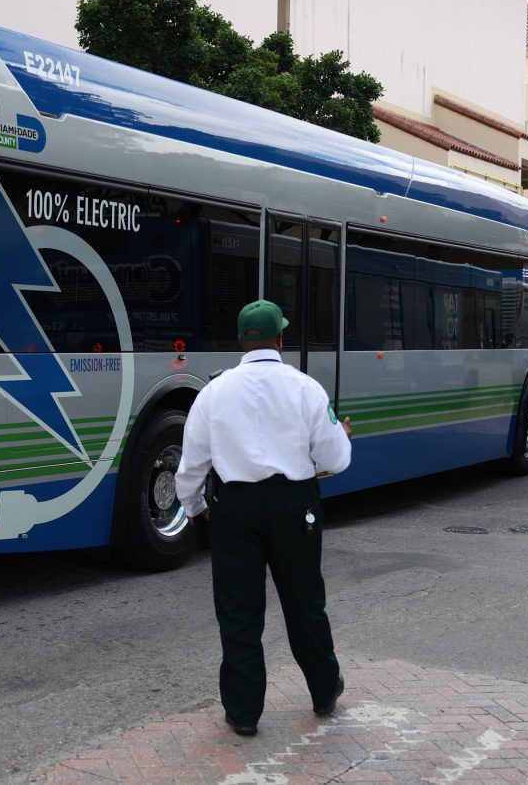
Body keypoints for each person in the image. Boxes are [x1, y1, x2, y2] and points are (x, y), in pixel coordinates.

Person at [175, 299, 353, 737]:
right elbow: (336, 459)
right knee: (305, 603)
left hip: (234, 510)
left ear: (241, 341)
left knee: (239, 613)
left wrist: (195, 509)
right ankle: (324, 691)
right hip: (294, 506)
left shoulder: (213, 393)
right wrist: (340, 437)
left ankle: (243, 712)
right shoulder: (306, 388)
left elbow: (191, 465)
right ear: (280, 338)